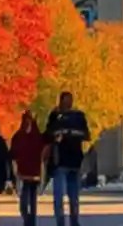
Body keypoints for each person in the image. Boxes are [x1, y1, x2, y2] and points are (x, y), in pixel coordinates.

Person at [45, 91, 91, 226]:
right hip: (60, 162)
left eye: (69, 101)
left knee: (74, 198)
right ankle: (60, 222)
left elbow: (86, 135)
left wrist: (70, 133)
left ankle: (74, 222)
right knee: (59, 197)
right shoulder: (55, 116)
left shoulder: (79, 117)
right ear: (60, 101)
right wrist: (56, 136)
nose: (67, 103)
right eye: (65, 101)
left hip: (74, 161)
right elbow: (47, 135)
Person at [11, 110, 47, 226]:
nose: (27, 124)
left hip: (34, 174)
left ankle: (31, 222)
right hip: (23, 174)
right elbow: (13, 154)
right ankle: (28, 220)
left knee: (32, 201)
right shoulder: (18, 137)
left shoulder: (37, 137)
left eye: (29, 121)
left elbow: (44, 154)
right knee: (24, 203)